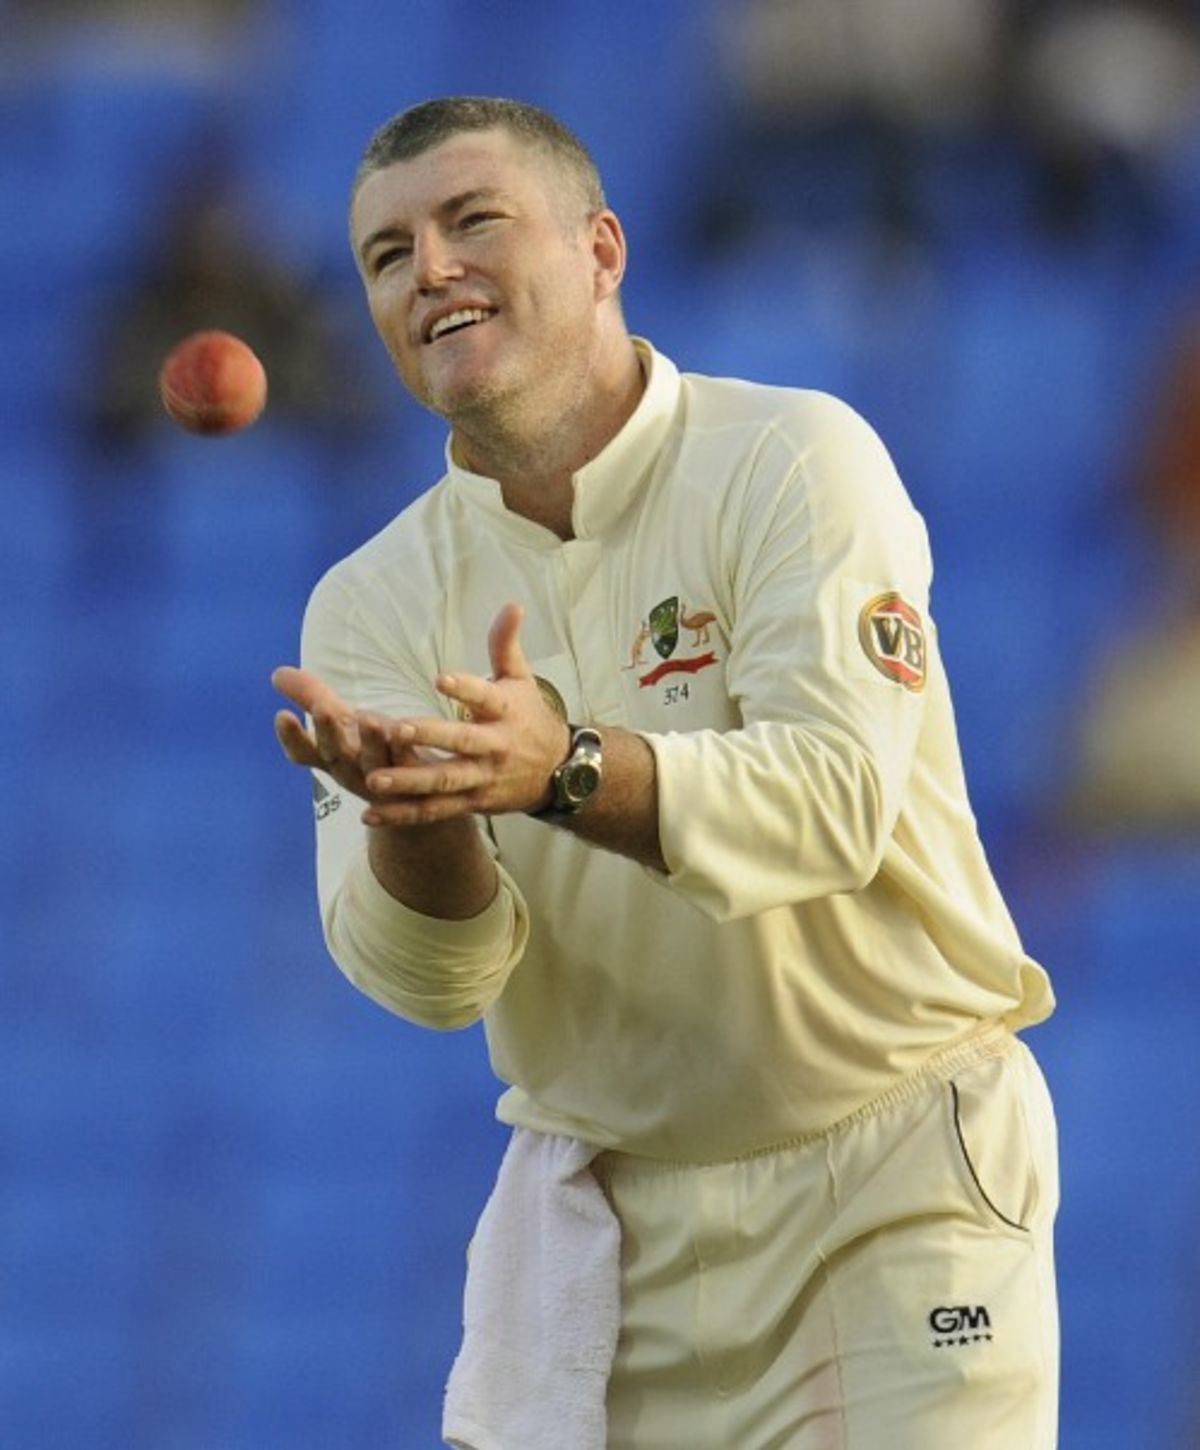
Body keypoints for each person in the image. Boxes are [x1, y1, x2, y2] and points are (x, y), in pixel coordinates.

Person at [271, 96, 1060, 1449]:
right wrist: (422, 823)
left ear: (603, 250)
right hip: (603, 1216)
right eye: (387, 255)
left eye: (473, 223)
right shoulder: (371, 605)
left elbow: (829, 809)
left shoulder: (794, 460)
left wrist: (562, 767)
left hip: (890, 1176)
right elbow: (432, 979)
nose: (431, 271)